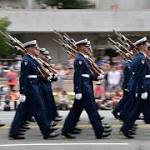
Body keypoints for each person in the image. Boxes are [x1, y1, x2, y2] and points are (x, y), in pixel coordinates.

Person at [62, 39, 111, 139]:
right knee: (92, 110)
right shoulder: (79, 59)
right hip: (84, 89)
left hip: (86, 87)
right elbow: (78, 76)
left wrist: (97, 77)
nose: (88, 48)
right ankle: (99, 131)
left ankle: (66, 129)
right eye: (86, 47)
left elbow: (87, 75)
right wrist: (78, 90)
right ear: (81, 48)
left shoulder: (84, 58)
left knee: (75, 111)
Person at [9, 40, 59, 139]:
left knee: (23, 112)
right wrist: (22, 92)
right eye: (35, 48)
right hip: (31, 89)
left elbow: (37, 75)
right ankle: (47, 132)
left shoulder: (33, 59)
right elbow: (23, 77)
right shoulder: (26, 60)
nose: (37, 50)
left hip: (35, 87)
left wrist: (49, 77)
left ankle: (14, 132)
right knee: (39, 110)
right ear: (30, 49)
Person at [121, 37, 150, 138]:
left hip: (142, 86)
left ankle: (126, 127)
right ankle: (125, 127)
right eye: (146, 45)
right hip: (143, 86)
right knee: (136, 110)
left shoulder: (140, 57)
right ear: (141, 46)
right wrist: (143, 90)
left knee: (137, 110)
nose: (147, 47)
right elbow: (140, 76)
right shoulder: (141, 59)